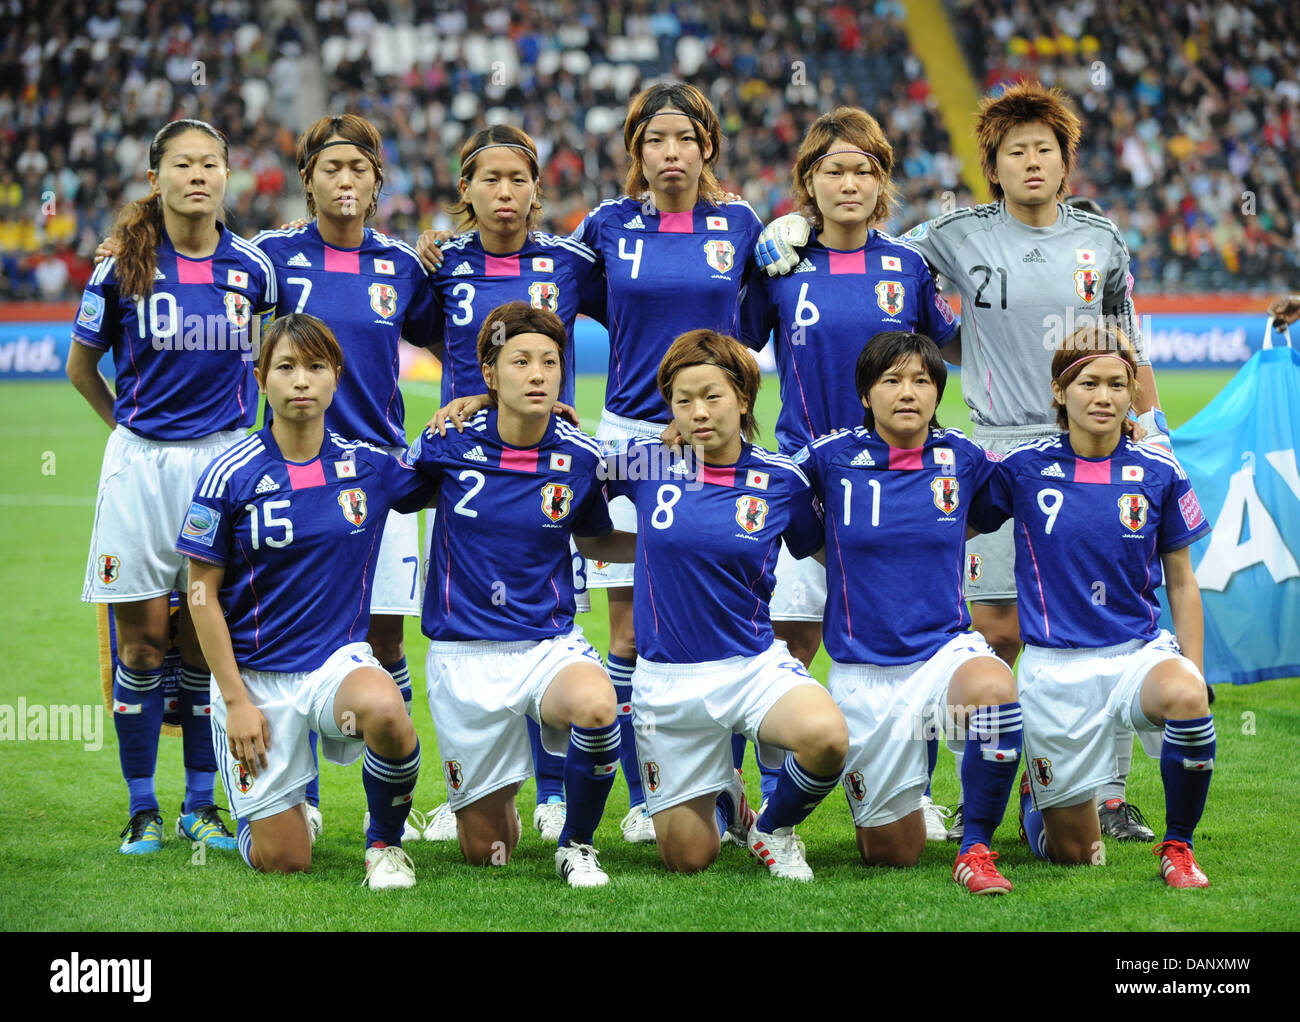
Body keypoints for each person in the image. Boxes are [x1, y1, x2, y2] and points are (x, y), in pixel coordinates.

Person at [755, 81, 1166, 843]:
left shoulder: (1102, 240)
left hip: (1086, 452)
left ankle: (1090, 792)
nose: (1033, 161)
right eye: (1017, 151)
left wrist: (1154, 424)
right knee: (993, 629)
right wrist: (794, 226)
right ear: (993, 166)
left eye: (1045, 149)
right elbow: (865, 237)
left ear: (1066, 162)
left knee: (1092, 619)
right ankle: (860, 795)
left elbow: (1126, 341)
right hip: (984, 451)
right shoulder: (950, 235)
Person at [741, 106, 959, 839]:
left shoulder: (908, 265)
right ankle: (778, 805)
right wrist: (753, 251)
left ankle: (914, 789)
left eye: (865, 169)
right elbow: (733, 348)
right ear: (809, 180)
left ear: (882, 182)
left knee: (913, 642)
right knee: (790, 643)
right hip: (807, 480)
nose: (850, 182)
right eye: (833, 168)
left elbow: (949, 351)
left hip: (898, 486)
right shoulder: (781, 264)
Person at [67, 118, 276, 855]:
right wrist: (125, 432)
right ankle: (141, 807)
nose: (198, 175)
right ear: (155, 177)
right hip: (140, 465)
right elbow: (82, 367)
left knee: (199, 639)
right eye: (183, 164)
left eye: (211, 164)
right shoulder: (120, 264)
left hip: (219, 465)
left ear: (227, 176)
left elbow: (276, 361)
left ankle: (199, 804)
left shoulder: (254, 270)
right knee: (143, 646)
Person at [180, 313, 435, 888]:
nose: (302, 380)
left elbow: (446, 472)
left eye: (316, 367)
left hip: (332, 668)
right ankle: (268, 813)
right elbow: (201, 594)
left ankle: (385, 844)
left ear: (335, 378)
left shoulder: (367, 466)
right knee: (287, 861)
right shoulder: (229, 473)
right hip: (257, 682)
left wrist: (463, 414)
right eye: (286, 367)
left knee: (387, 707)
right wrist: (237, 701)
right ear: (261, 378)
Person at [250, 114, 441, 845]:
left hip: (380, 479)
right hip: (296, 479)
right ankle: (298, 797)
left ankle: (381, 807)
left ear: (377, 180)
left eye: (359, 168)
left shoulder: (398, 265)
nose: (346, 181)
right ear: (307, 179)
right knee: (295, 641)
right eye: (331, 168)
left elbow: (456, 334)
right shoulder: (269, 258)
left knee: (384, 644)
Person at [415, 124, 608, 844]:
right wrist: (471, 393)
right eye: (489, 180)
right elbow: (423, 330)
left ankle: (557, 796)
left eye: (518, 179)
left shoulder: (572, 262)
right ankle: (481, 790)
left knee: (546, 618)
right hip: (469, 463)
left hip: (548, 461)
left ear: (536, 187)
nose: (505, 192)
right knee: (476, 617)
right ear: (465, 190)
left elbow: (658, 293)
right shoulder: (439, 262)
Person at [402, 302, 633, 887]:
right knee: (489, 851)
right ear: (489, 373)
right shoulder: (446, 442)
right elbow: (391, 495)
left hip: (544, 646)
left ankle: (576, 843)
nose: (537, 374)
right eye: (521, 361)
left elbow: (596, 538)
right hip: (462, 658)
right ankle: (478, 804)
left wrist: (668, 547)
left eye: (549, 363)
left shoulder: (581, 456)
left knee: (598, 706)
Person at [607, 329, 848, 881]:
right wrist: (483, 400)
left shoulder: (783, 481)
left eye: (712, 395)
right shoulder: (645, 465)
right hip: (667, 684)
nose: (698, 411)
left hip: (751, 668)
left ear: (742, 397)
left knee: (827, 739)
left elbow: (825, 552)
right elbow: (561, 464)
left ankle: (772, 826)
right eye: (683, 399)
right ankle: (725, 791)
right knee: (689, 860)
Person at [980, 323, 1215, 888]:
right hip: (1055, 669)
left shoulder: (1158, 472)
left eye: (1117, 383)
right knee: (1077, 856)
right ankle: (1039, 801)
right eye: (1088, 383)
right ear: (1061, 393)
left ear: (1133, 392)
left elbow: (1181, 582)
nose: (1104, 396)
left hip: (1136, 654)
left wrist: (1196, 669)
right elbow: (954, 525)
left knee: (1185, 697)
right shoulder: (1023, 468)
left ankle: (1178, 846)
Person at [795, 332, 1021, 893]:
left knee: (994, 688)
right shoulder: (827, 459)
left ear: (937, 393)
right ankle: (905, 799)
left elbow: (1038, 475)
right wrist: (682, 450)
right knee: (891, 855)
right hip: (862, 676)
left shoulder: (964, 459)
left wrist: (1123, 433)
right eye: (891, 380)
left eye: (922, 380)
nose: (908, 392)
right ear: (865, 394)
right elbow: (758, 479)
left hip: (943, 652)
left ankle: (977, 847)